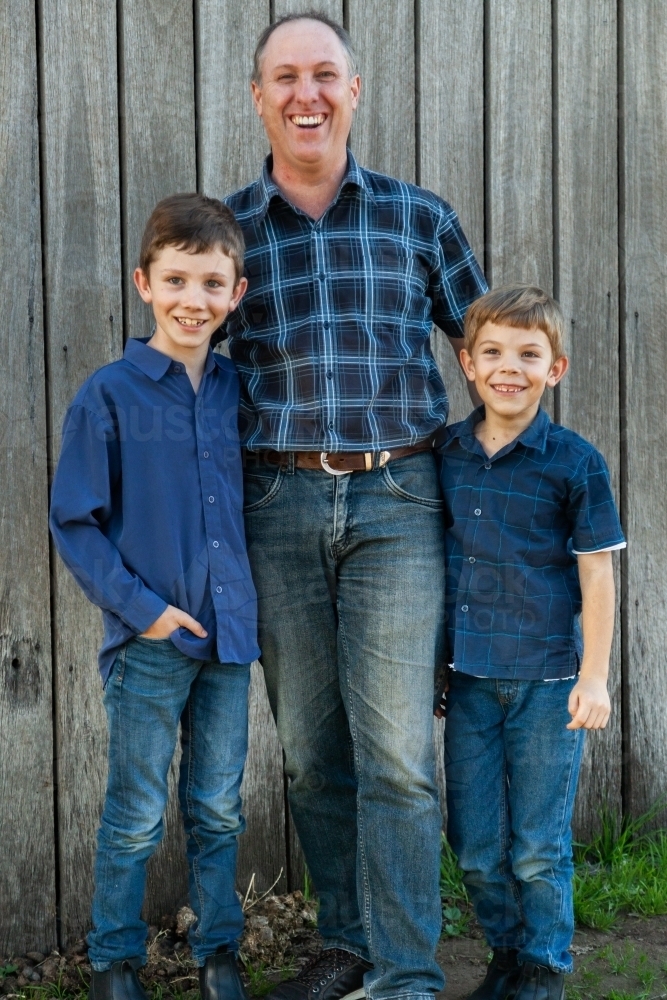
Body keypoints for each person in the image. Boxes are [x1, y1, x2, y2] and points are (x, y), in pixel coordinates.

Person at [222, 12, 487, 1000]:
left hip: (397, 498)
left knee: (396, 754)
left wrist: (493, 498)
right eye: (285, 77)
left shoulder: (419, 219)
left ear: (354, 90)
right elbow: (191, 369)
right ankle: (347, 944)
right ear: (258, 97)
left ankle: (409, 971)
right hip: (278, 502)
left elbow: (489, 356)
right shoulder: (229, 230)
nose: (307, 94)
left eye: (324, 75)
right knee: (311, 753)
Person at [49, 194, 259, 1000]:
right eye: (175, 280)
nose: (192, 300)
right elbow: (76, 522)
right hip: (150, 643)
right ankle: (114, 962)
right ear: (144, 282)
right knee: (135, 814)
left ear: (235, 294)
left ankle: (218, 954)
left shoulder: (240, 392)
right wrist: (146, 612)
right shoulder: (111, 394)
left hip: (232, 641)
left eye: (211, 284)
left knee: (217, 809)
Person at [438, 285, 626, 1000]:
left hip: (549, 682)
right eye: (492, 352)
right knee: (478, 848)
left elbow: (598, 574)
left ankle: (545, 965)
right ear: (467, 363)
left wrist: (596, 676)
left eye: (527, 353)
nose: (507, 366)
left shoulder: (573, 462)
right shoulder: (446, 452)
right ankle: (507, 952)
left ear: (555, 369)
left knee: (537, 848)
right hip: (470, 682)